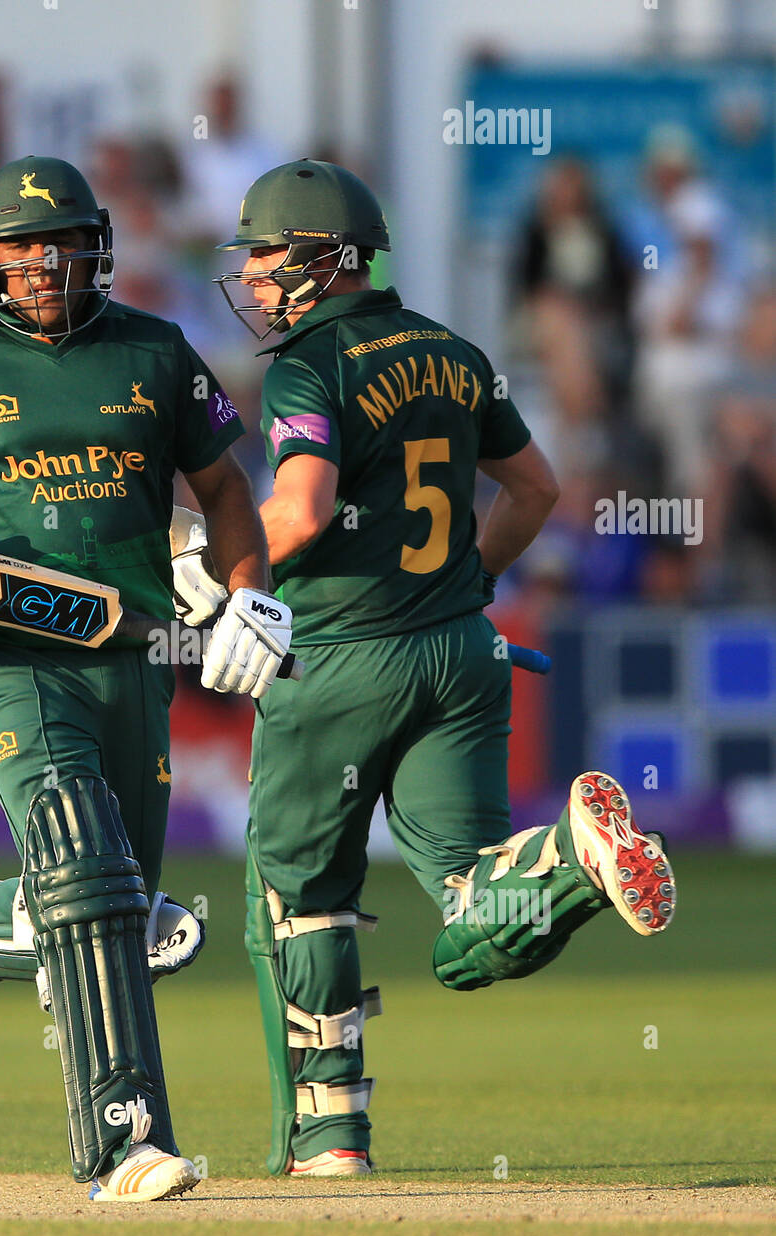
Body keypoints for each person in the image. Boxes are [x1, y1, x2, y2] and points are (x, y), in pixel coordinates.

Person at [189, 159, 677, 1177]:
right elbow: (533, 489)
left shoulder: (308, 363)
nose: (256, 277)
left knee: (293, 899)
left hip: (339, 659)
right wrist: (467, 584)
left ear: (327, 257)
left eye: (269, 255)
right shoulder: (456, 354)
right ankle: (561, 860)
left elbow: (303, 508)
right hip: (462, 654)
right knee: (468, 913)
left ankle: (326, 1142)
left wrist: (217, 565)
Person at [0, 156, 292, 1201]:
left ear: (97, 245)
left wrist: (248, 595)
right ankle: (122, 1143)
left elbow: (224, 490)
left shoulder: (154, 351)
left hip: (132, 651)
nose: (41, 262)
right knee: (85, 870)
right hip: (4, 649)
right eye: (19, 245)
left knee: (119, 921)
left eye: (59, 242)